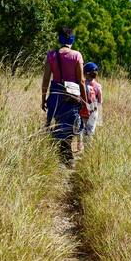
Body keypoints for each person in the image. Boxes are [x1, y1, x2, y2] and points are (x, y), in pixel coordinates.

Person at [41, 27, 88, 165]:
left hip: (55, 95)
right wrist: (85, 101)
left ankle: (61, 156)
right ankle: (66, 156)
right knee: (70, 124)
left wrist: (43, 98)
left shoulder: (51, 55)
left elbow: (45, 79)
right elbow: (81, 81)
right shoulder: (77, 55)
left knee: (57, 123)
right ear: (72, 39)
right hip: (71, 96)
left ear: (59, 39)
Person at [81, 62, 103, 142]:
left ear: (85, 73)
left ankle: (79, 147)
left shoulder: (82, 84)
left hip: (83, 111)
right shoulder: (98, 86)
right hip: (93, 111)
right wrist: (99, 116)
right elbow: (100, 101)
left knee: (81, 130)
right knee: (90, 133)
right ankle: (87, 151)